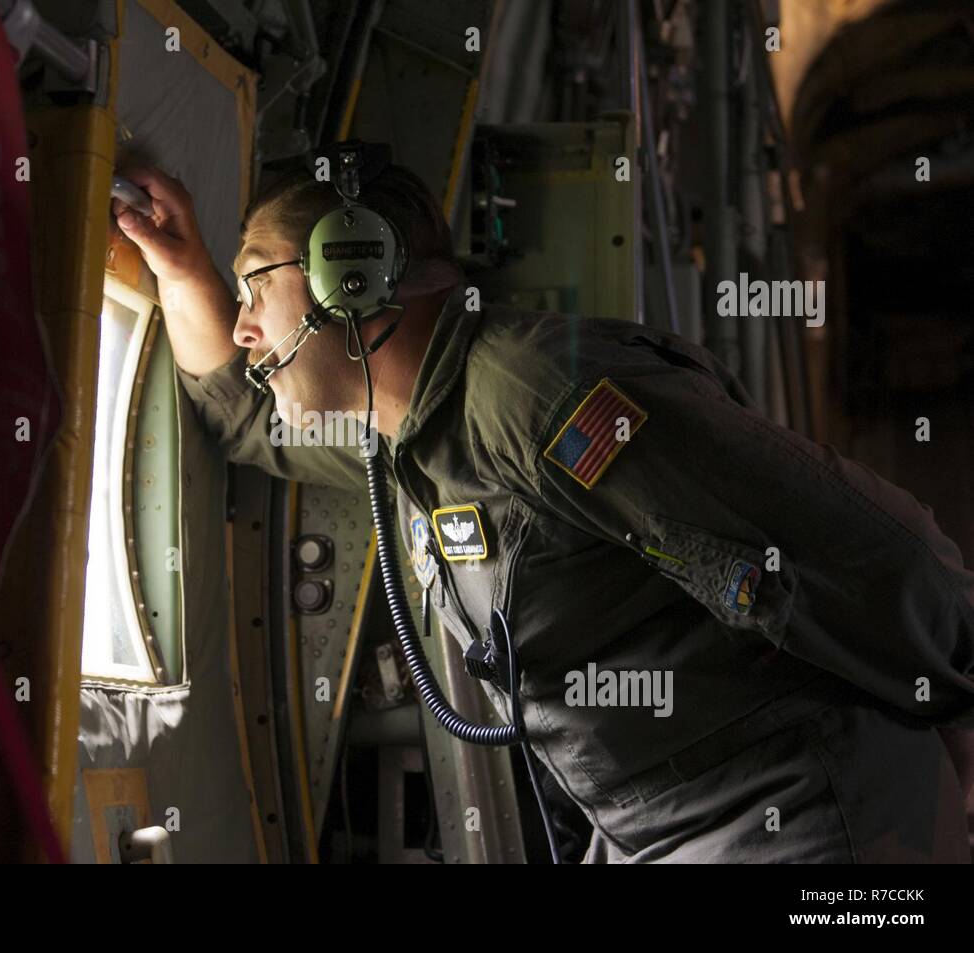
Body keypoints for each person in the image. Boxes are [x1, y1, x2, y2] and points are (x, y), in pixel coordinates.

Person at [111, 160, 974, 863]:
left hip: (801, 816)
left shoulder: (535, 397)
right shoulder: (405, 433)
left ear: (353, 272)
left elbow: (859, 549)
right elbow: (243, 415)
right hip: (663, 828)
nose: (247, 327)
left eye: (255, 286)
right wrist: (180, 265)